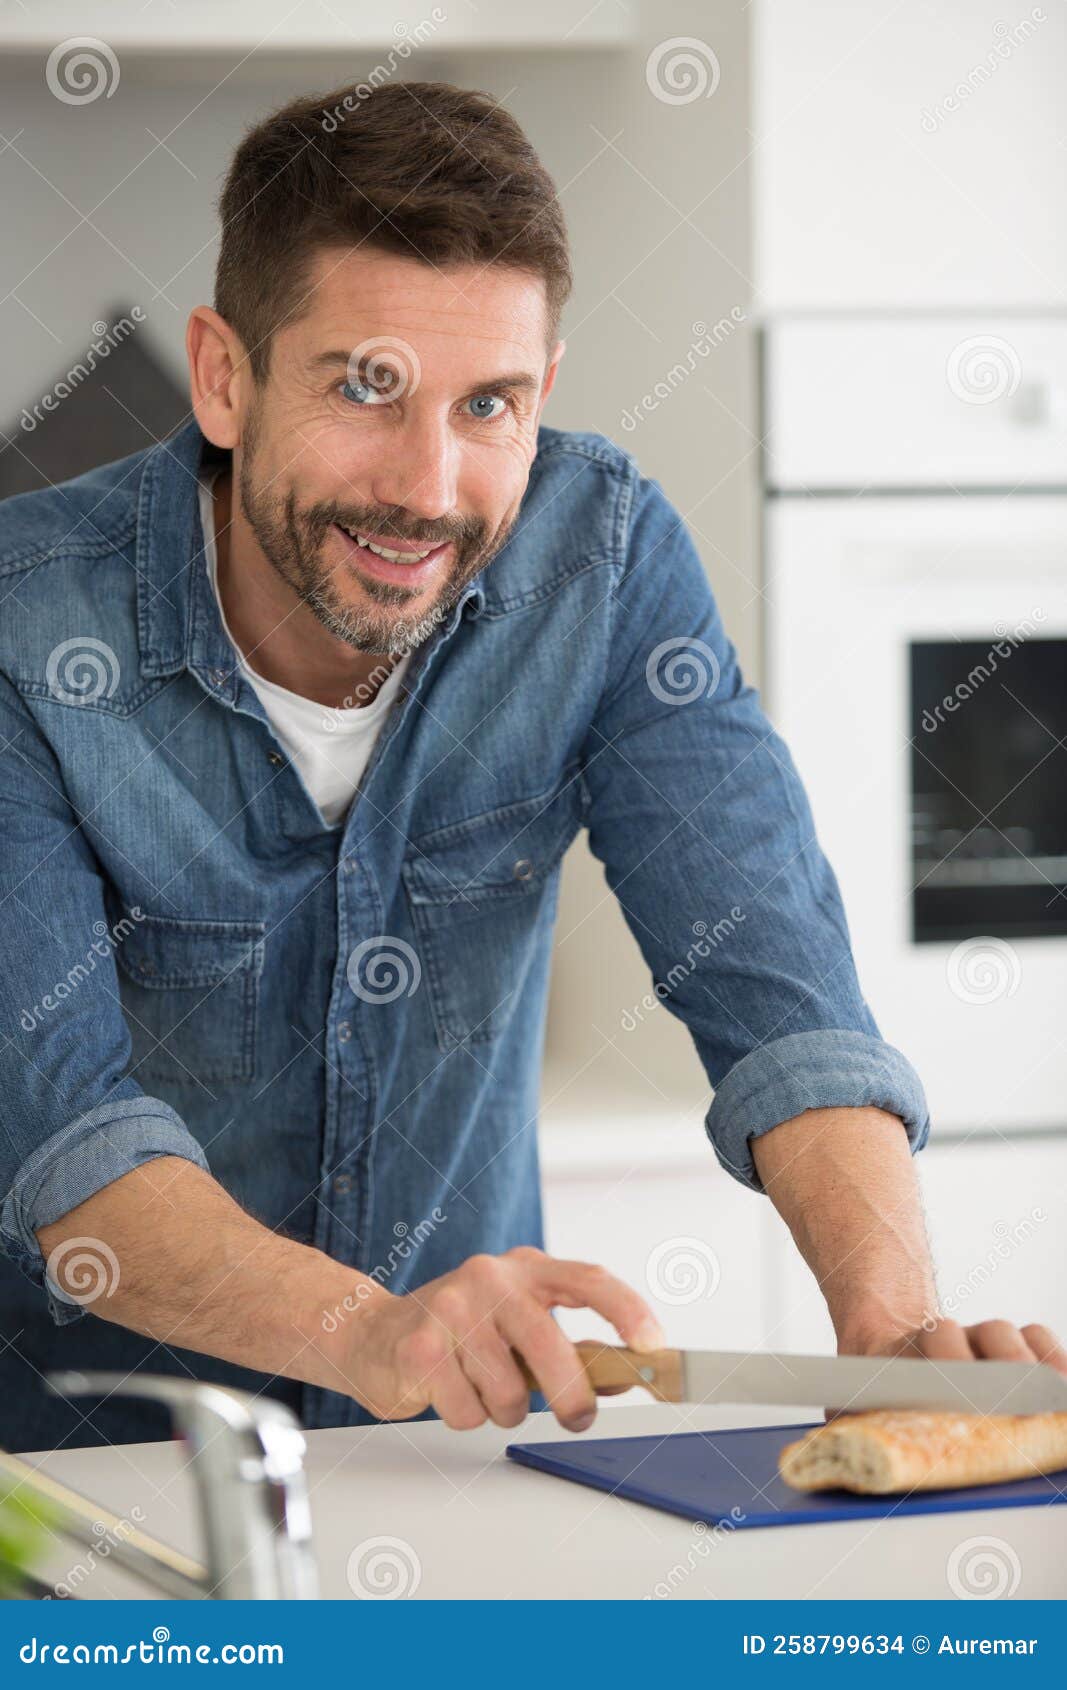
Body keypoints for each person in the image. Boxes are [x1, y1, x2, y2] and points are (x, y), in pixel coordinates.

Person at [1, 82, 1062, 1451]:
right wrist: (371, 1327)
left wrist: (893, 1330)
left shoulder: (601, 565)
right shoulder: (29, 628)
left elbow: (781, 995)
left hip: (454, 1469)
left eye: (487, 404)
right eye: (364, 387)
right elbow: (65, 1143)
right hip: (96, 1486)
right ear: (223, 375)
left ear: (543, 390)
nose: (429, 486)